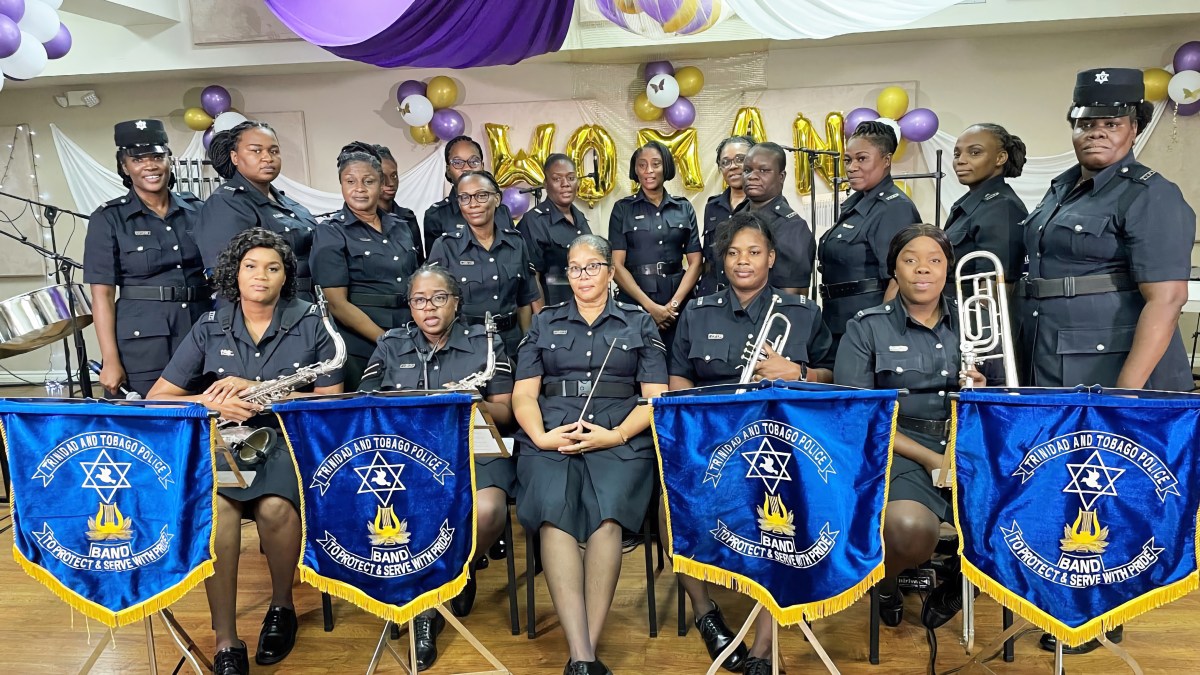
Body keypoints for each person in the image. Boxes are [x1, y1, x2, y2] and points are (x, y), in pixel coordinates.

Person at [1018, 68, 1196, 654]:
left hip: (1112, 369)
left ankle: (1102, 612)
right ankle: (1070, 599)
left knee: (1106, 494)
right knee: (1068, 492)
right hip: (1055, 360)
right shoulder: (1064, 186)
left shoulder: (1151, 194)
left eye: (1110, 122)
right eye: (1084, 122)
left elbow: (1166, 298)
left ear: (1135, 127)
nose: (1095, 132)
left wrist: (1127, 393)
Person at [148, 228, 344, 675]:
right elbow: (157, 397)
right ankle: (225, 639)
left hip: (286, 438)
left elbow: (330, 400)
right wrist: (208, 401)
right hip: (224, 441)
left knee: (277, 509)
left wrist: (260, 392)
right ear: (233, 274)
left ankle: (282, 606)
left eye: (272, 268)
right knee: (218, 516)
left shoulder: (311, 321)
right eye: (250, 267)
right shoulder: (210, 325)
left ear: (285, 277)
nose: (261, 276)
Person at [666, 213, 833, 675]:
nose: (743, 261)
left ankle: (763, 645)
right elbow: (678, 376)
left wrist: (797, 373)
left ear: (772, 258)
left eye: (754, 252)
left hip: (780, 445)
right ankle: (707, 614)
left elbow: (834, 377)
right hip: (711, 440)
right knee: (670, 505)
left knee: (782, 510)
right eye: (734, 252)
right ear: (723, 259)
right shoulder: (698, 313)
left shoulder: (802, 314)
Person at [513, 234, 669, 675]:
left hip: (620, 430)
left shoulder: (638, 323)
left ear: (610, 272)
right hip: (551, 428)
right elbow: (524, 395)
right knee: (553, 512)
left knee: (608, 514)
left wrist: (616, 436)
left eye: (593, 266)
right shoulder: (543, 323)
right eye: (574, 268)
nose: (583, 276)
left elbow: (655, 398)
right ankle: (583, 659)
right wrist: (541, 438)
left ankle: (586, 650)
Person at [358, 264, 515, 671]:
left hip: (474, 451)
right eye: (419, 300)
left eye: (438, 298)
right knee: (408, 515)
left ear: (456, 302)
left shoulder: (487, 343)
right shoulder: (391, 345)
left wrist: (469, 404)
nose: (429, 308)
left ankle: (455, 575)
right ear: (409, 305)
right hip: (407, 458)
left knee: (489, 510)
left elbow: (508, 410)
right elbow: (366, 408)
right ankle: (428, 609)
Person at [834, 224, 985, 631]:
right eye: (910, 260)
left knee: (1019, 513)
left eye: (935, 261)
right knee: (908, 529)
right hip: (898, 447)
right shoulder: (866, 327)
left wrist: (983, 392)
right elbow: (860, 415)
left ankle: (959, 585)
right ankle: (885, 582)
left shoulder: (976, 324)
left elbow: (1007, 405)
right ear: (894, 272)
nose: (923, 270)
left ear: (947, 270)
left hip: (967, 442)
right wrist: (934, 460)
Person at [83, 119, 213, 397]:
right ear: (125, 167)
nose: (150, 166)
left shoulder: (199, 210)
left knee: (212, 414)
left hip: (200, 329)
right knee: (147, 419)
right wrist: (110, 360)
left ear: (169, 160)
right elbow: (102, 296)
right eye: (138, 159)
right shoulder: (109, 218)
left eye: (157, 157)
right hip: (144, 342)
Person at [310, 142, 421, 389]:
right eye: (350, 182)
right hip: (361, 345)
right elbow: (336, 304)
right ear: (341, 185)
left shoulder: (401, 226)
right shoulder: (331, 232)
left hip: (408, 337)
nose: (359, 189)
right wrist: (384, 339)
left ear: (381, 185)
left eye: (368, 181)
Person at [818, 121, 922, 353]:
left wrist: (882, 333)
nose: (852, 167)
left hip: (866, 328)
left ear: (886, 160)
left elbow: (898, 279)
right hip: (837, 321)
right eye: (848, 160)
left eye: (862, 158)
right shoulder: (856, 204)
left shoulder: (893, 208)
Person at [200, 121, 320, 301]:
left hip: (309, 303)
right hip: (273, 308)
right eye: (256, 151)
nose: (267, 158)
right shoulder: (225, 203)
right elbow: (228, 277)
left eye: (273, 151)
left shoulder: (287, 202)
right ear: (235, 157)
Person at [426, 170, 539, 357]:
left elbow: (524, 300)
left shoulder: (516, 243)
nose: (473, 204)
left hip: (510, 343)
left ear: (496, 199)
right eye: (464, 198)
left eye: (481, 195)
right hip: (464, 345)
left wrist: (526, 344)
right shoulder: (445, 247)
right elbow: (434, 305)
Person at [609, 141, 703, 356]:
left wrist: (673, 306)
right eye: (642, 165)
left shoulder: (683, 207)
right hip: (635, 302)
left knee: (679, 365)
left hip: (678, 303)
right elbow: (616, 265)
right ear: (635, 170)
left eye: (655, 164)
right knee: (637, 365)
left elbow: (696, 262)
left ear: (666, 167)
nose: (648, 171)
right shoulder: (622, 209)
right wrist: (651, 307)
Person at [945, 123, 1028, 283]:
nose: (961, 161)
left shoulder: (1001, 207)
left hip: (975, 306)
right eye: (957, 154)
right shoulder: (967, 205)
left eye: (975, 153)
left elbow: (995, 285)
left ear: (1000, 158)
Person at [733, 142, 816, 296]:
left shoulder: (792, 228)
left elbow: (793, 298)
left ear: (781, 176)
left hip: (768, 316)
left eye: (763, 170)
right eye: (747, 170)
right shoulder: (736, 217)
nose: (752, 176)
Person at [518, 153, 593, 310]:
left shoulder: (579, 217)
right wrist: (543, 321)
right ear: (546, 184)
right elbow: (532, 279)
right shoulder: (534, 221)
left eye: (571, 178)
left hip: (585, 307)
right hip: (555, 308)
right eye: (557, 179)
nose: (565, 184)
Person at [423, 135, 515, 256]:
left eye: (474, 161)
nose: (466, 168)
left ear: (482, 166)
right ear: (448, 170)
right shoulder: (436, 215)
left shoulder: (501, 211)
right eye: (457, 162)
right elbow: (435, 270)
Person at [697, 135, 754, 296]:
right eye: (725, 162)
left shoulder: (762, 205)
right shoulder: (712, 206)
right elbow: (708, 260)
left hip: (747, 297)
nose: (733, 166)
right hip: (712, 296)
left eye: (740, 159)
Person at [374, 143, 424, 262]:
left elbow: (420, 263)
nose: (390, 183)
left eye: (394, 176)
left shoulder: (408, 217)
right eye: (382, 177)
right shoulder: (363, 219)